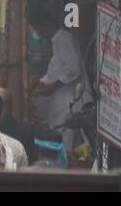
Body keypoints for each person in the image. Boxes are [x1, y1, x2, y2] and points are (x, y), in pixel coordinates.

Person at [31, 14, 88, 149]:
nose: (39, 33)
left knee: (64, 139)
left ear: (46, 24)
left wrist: (53, 85)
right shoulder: (56, 41)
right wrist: (39, 83)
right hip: (59, 100)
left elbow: (74, 69)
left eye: (39, 29)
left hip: (69, 99)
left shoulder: (64, 39)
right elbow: (56, 70)